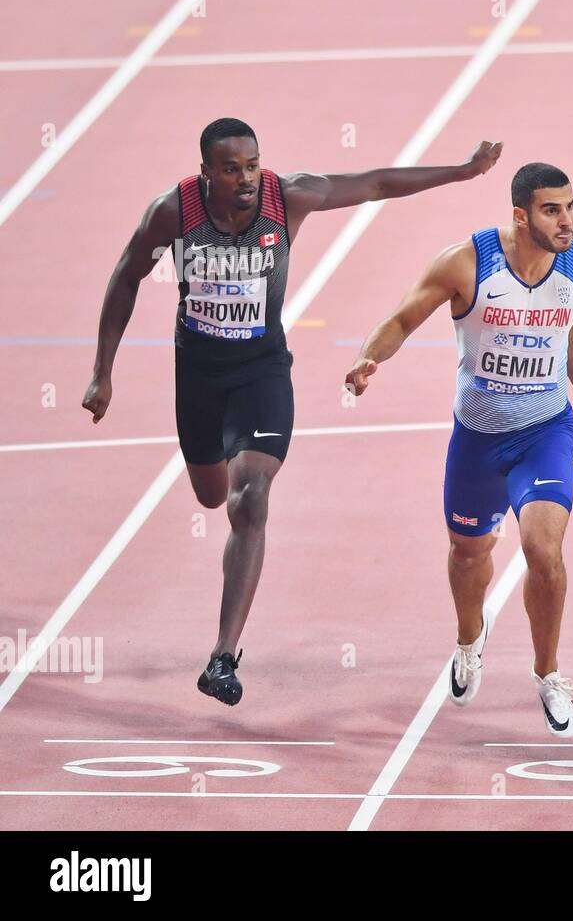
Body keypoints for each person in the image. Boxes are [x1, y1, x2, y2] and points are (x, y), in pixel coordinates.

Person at [82, 117, 502, 706]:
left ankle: (223, 657)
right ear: (207, 172)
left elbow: (376, 183)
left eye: (252, 164)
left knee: (250, 497)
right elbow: (127, 275)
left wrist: (462, 171)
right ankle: (225, 490)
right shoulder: (172, 213)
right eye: (232, 169)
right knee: (211, 495)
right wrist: (103, 370)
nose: (247, 177)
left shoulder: (290, 197)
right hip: (199, 376)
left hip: (262, 373)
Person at [345, 162, 573, 737]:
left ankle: (547, 673)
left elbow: (572, 330)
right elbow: (403, 318)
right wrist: (368, 358)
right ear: (520, 214)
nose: (567, 220)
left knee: (542, 550)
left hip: (545, 433)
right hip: (477, 440)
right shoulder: (466, 262)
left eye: (571, 206)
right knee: (469, 554)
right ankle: (468, 639)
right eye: (553, 209)